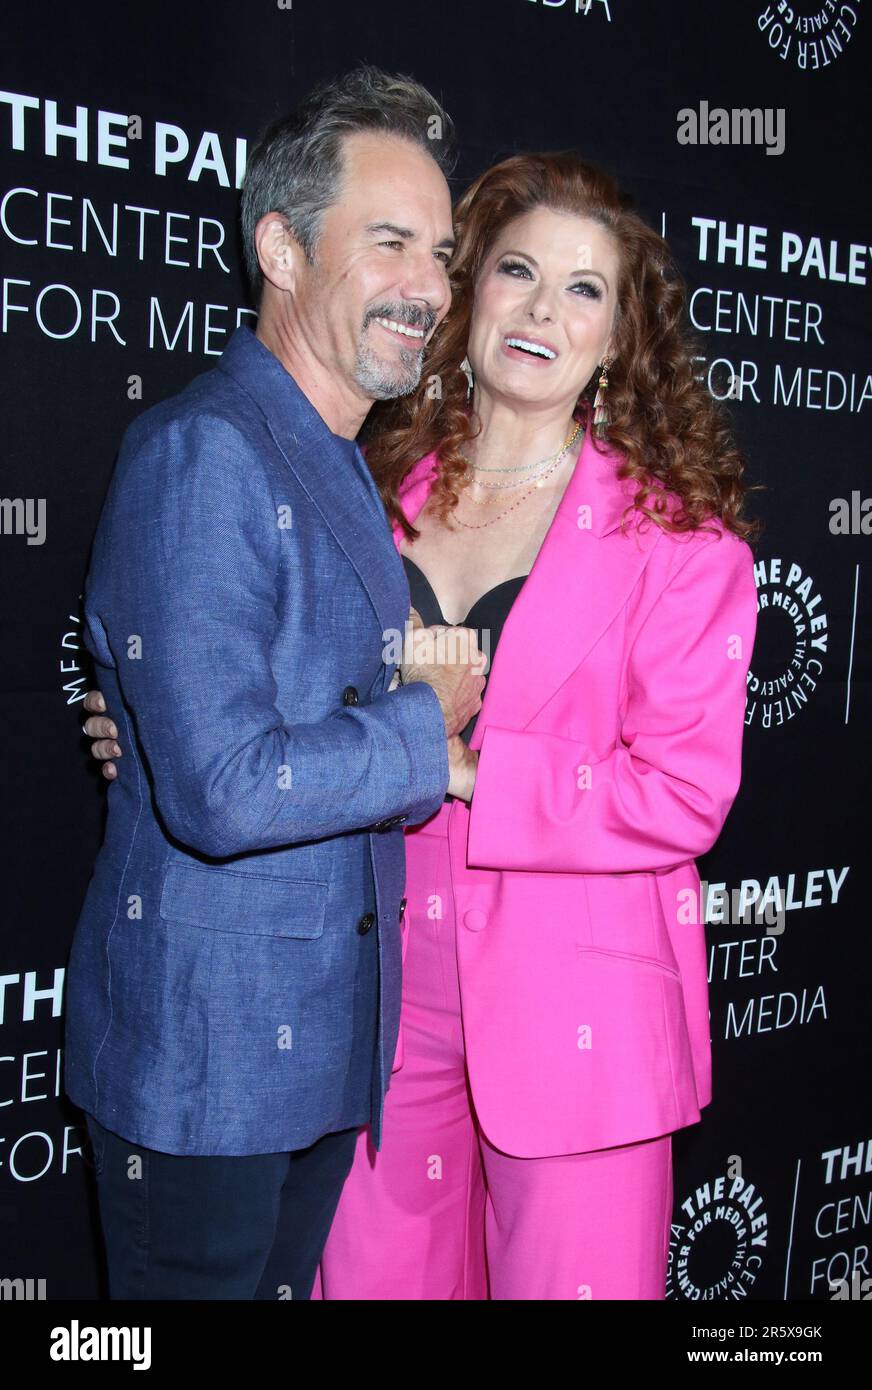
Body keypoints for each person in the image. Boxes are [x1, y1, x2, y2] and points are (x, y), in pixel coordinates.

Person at [83, 150, 762, 1300]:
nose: (543, 309)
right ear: (468, 294)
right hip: (369, 1005)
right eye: (513, 270)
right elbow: (251, 707)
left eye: (584, 289)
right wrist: (149, 729)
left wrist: (461, 772)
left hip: (573, 1021)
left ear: (617, 338)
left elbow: (682, 792)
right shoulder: (362, 489)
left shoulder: (684, 547)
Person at [65, 65, 486, 1301]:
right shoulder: (205, 452)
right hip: (203, 1066)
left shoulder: (339, 462)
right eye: (390, 242)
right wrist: (428, 732)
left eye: (443, 252)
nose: (429, 286)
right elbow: (225, 789)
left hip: (307, 1050)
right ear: (281, 249)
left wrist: (414, 749)